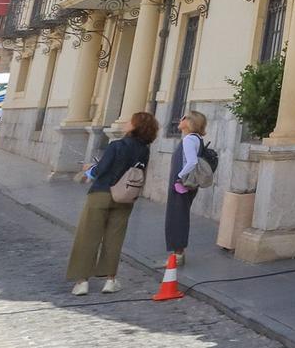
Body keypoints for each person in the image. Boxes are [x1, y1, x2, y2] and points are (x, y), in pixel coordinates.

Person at [67, 111, 159, 296]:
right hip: (125, 197)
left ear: (135, 125)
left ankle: (82, 281)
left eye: (129, 121)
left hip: (101, 193)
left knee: (88, 236)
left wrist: (89, 169)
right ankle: (110, 280)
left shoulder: (116, 145)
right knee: (114, 239)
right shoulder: (144, 150)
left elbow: (101, 170)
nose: (126, 123)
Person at [166, 110, 208, 267]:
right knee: (179, 214)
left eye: (183, 117)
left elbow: (191, 162)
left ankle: (177, 254)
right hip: (186, 182)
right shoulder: (196, 139)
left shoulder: (189, 140)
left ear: (190, 122)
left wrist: (179, 177)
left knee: (177, 215)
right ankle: (177, 252)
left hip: (182, 182)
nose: (180, 119)